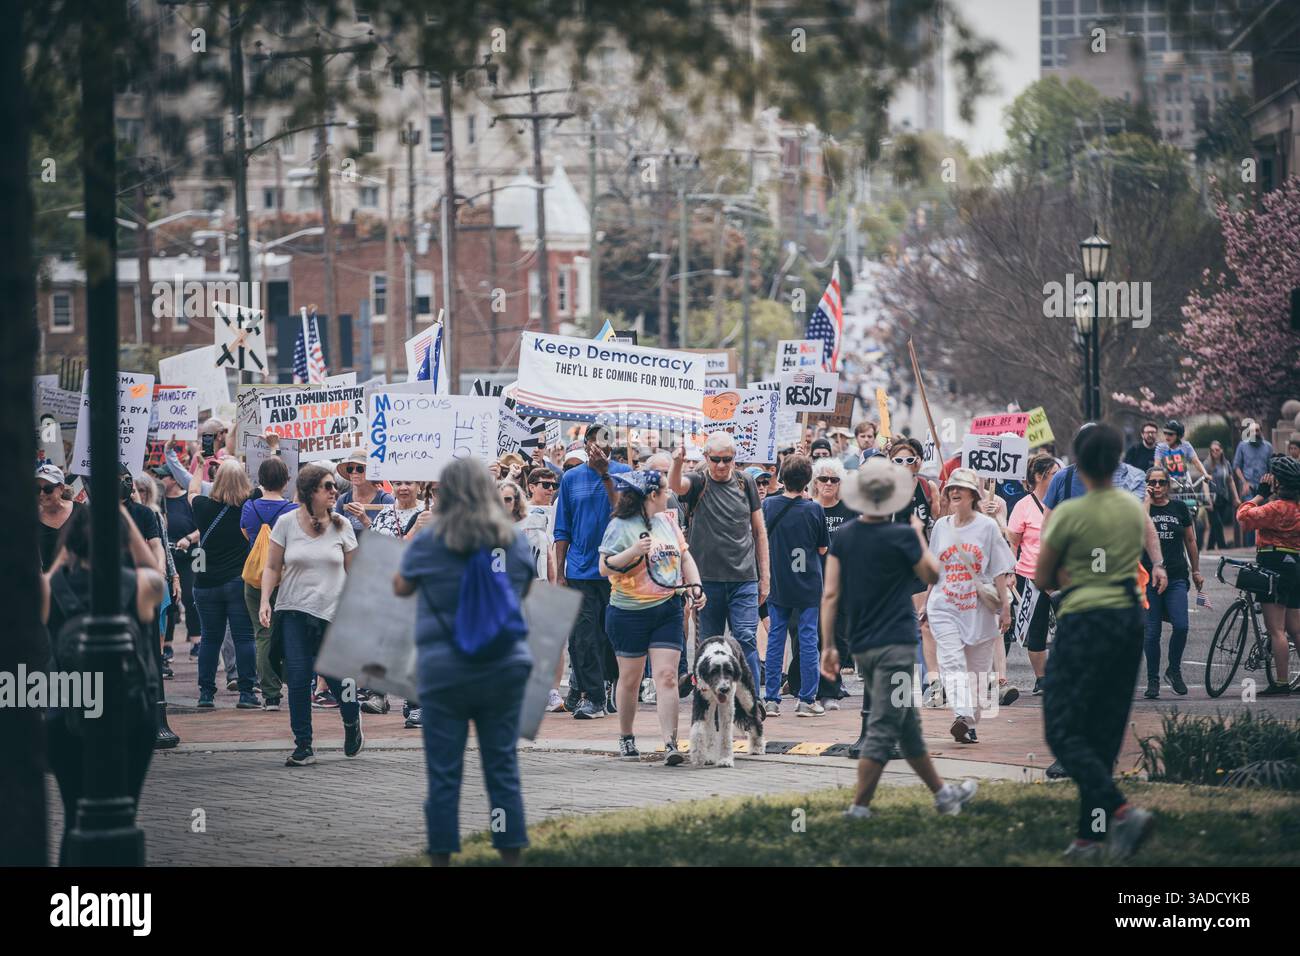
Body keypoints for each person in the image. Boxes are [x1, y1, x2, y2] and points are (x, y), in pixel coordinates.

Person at [820, 457, 978, 819]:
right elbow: (933, 575)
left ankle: (944, 795)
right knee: (883, 727)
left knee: (907, 727)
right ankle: (858, 808)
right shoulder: (903, 535)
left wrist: (829, 645)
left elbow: (830, 594)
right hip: (897, 644)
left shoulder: (844, 536)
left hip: (862, 646)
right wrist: (920, 534)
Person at [394, 458, 534, 866]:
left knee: (443, 774)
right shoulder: (509, 537)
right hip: (504, 665)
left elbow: (400, 586)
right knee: (502, 767)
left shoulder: (430, 538)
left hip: (443, 670)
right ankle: (510, 856)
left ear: (445, 492)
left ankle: (441, 858)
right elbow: (520, 589)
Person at [1035, 423, 1154, 860]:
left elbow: (1043, 576)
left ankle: (1121, 813)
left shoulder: (1069, 514)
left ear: (1077, 462)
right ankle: (1089, 838)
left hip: (1084, 620)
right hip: (1127, 619)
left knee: (1063, 727)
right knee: (1104, 731)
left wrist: (1074, 574)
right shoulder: (1129, 506)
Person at [599, 469, 704, 762]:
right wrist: (633, 551)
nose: (669, 493)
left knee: (667, 676)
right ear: (651, 495)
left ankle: (671, 743)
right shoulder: (620, 525)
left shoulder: (668, 521)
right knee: (630, 679)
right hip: (628, 611)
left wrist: (695, 586)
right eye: (664, 490)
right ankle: (626, 736)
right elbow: (605, 567)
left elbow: (684, 556)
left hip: (667, 608)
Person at [259, 464, 361, 766]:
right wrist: (265, 599)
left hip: (331, 613)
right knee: (300, 679)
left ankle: (351, 720)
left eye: (334, 487)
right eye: (327, 486)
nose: (334, 492)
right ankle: (303, 745)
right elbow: (272, 566)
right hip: (293, 611)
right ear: (309, 492)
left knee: (338, 678)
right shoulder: (286, 523)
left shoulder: (341, 525)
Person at [669, 431, 769, 689]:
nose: (722, 465)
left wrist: (765, 577)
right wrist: (677, 462)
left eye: (727, 459)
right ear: (706, 457)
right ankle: (712, 703)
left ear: (735, 458)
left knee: (746, 638)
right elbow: (676, 486)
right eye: (716, 459)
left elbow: (759, 531)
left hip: (743, 578)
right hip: (708, 582)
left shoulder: (745, 482)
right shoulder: (698, 482)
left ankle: (751, 702)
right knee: (711, 645)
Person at [926, 468, 1015, 744]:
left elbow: (1000, 569)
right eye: (951, 488)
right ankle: (962, 713)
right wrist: (927, 600)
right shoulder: (941, 526)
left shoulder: (987, 527)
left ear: (973, 495)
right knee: (951, 660)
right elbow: (934, 567)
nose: (954, 492)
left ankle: (969, 720)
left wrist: (1005, 608)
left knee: (977, 671)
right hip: (945, 606)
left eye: (961, 489)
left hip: (979, 609)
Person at [554, 424, 631, 718]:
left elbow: (624, 512)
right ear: (586, 444)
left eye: (607, 441)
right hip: (580, 570)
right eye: (596, 441)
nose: (601, 446)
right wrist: (560, 573)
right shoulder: (571, 479)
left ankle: (610, 684)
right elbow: (563, 528)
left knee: (611, 635)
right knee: (582, 637)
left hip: (616, 569)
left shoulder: (623, 473)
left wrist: (604, 473)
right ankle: (594, 696)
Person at [185, 458, 257, 709]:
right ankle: (247, 693)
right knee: (244, 638)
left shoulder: (203, 507)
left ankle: (206, 694)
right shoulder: (250, 504)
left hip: (205, 583)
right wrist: (272, 449)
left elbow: (192, 491)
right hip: (238, 582)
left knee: (209, 639)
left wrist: (199, 465)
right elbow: (269, 481)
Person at [760, 454, 829, 717]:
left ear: (782, 477)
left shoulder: (769, 506)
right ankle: (807, 699)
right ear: (807, 481)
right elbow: (823, 548)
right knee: (808, 639)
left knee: (776, 638)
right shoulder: (814, 509)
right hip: (808, 584)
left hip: (778, 582)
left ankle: (772, 699)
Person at [369, 479, 433, 725]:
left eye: (408, 482)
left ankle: (416, 703)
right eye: (397, 483)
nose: (403, 487)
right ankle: (381, 694)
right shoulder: (384, 515)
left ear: (419, 486)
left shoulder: (429, 513)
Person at [1235, 455, 1300, 694]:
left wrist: (1260, 494)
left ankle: (1281, 683)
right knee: (1296, 628)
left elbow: (1243, 518)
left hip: (1273, 562)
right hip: (1295, 564)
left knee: (1276, 630)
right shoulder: (1296, 508)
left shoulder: (1275, 508)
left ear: (1277, 482)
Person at [886, 437, 942, 703]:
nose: (905, 465)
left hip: (920, 560)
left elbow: (939, 520)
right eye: (898, 460)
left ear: (918, 461)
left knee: (923, 623)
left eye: (910, 460)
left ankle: (930, 680)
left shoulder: (926, 486)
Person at [240, 456, 297, 712]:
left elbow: (246, 534)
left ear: (259, 480)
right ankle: (292, 682)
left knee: (262, 634)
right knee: (289, 633)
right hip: (285, 578)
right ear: (286, 481)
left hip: (255, 578)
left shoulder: (249, 507)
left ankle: (270, 695)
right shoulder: (292, 510)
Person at [1141, 466, 1202, 699]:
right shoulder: (1141, 508)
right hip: (1148, 578)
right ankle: (1153, 680)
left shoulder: (1179, 508)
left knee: (1182, 625)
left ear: (1168, 485)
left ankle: (1174, 669)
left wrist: (1196, 571)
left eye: (1161, 482)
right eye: (1152, 482)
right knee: (1151, 632)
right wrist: (1146, 502)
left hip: (1176, 576)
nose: (1157, 487)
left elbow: (1190, 539)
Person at [1005, 452, 1059, 695]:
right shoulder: (1023, 507)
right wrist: (1010, 571)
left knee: (1070, 626)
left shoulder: (1063, 502)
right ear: (1039, 476)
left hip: (1061, 576)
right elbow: (1013, 543)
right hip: (1031, 577)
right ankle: (1042, 678)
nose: (1059, 478)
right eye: (1054, 474)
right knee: (1036, 632)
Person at [155, 457, 199, 659]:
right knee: (169, 600)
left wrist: (188, 539)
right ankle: (168, 645)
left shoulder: (187, 500)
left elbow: (202, 526)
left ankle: (196, 640)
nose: (158, 479)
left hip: (191, 556)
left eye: (162, 476)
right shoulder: (159, 501)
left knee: (191, 597)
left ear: (173, 479)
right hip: (168, 556)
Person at [334, 449, 394, 535]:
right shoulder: (343, 500)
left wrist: (365, 520)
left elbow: (390, 538)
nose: (354, 472)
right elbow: (338, 533)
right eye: (350, 469)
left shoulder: (386, 500)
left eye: (359, 468)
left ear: (371, 472)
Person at [1234, 423, 1274, 547]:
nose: (1255, 433)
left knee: (1264, 517)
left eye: (1257, 430)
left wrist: (1271, 486)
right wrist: (1244, 482)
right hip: (1249, 487)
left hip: (1264, 486)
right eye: (1252, 431)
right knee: (1248, 516)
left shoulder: (1268, 446)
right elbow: (1236, 466)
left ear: (1261, 431)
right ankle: (1249, 547)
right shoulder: (1242, 446)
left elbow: (1271, 468)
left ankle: (1262, 545)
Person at [37, 464, 83, 572]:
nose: (41, 494)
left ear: (61, 488)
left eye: (48, 489)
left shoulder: (82, 512)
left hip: (82, 583)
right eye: (37, 489)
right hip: (52, 585)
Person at [1204, 440, 1240, 551]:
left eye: (1217, 449)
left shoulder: (1226, 464)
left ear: (1221, 450)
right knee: (1217, 524)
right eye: (1212, 450)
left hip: (1223, 497)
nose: (1215, 452)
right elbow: (1204, 482)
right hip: (1211, 497)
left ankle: (1210, 547)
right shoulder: (1207, 464)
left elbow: (1230, 481)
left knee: (1216, 525)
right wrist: (1207, 498)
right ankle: (1222, 547)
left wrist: (1236, 497)